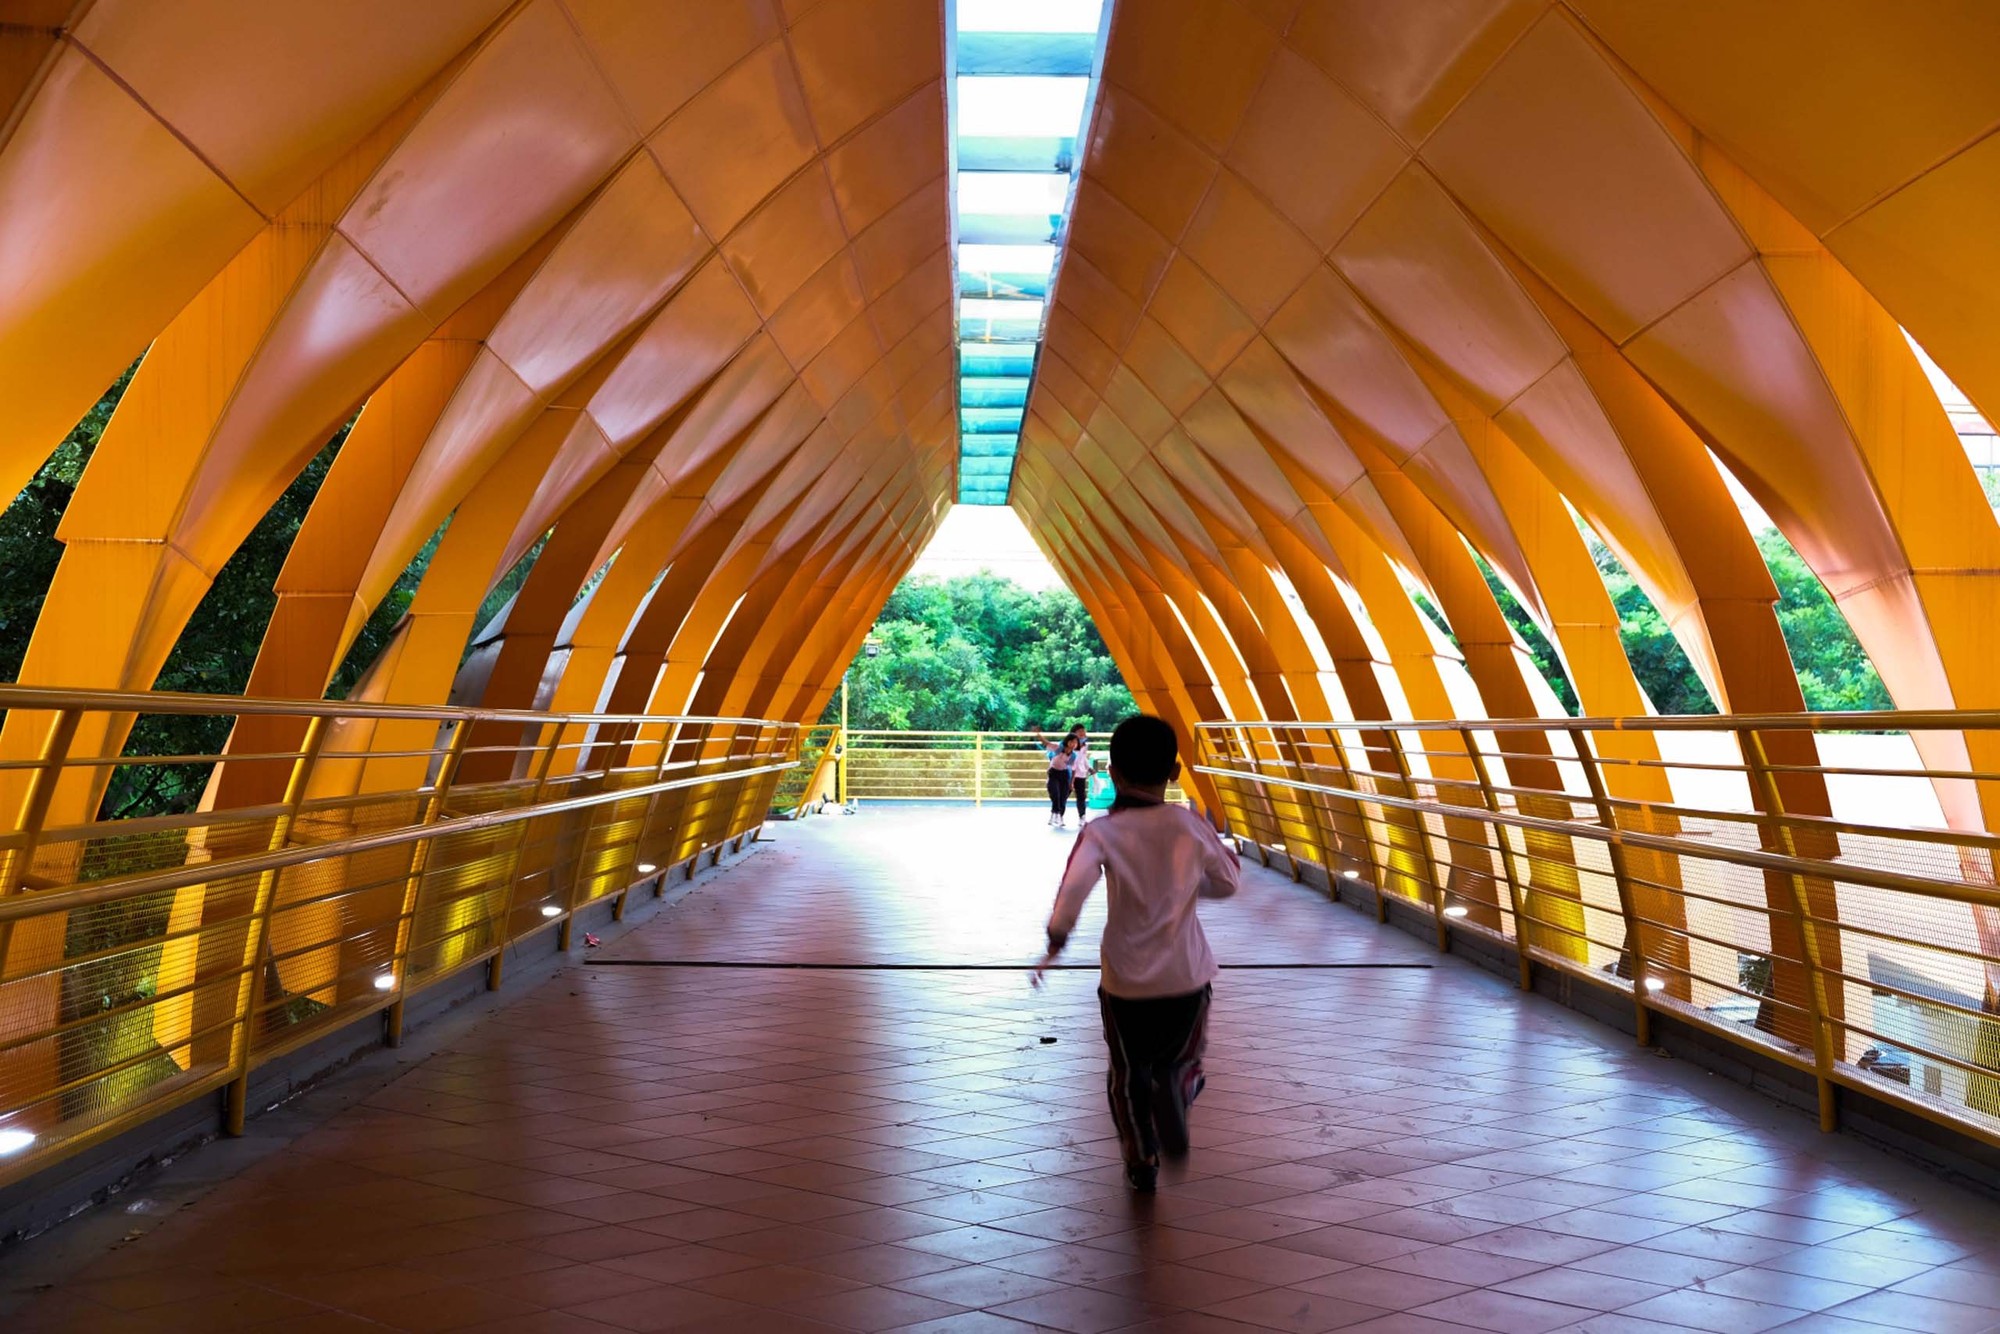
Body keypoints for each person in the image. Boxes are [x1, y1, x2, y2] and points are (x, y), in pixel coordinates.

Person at [1032, 715, 1240, 1192]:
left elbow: (1071, 895)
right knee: (1183, 1055)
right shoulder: (1190, 824)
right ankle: (1181, 1084)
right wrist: (1187, 885)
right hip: (1187, 976)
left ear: (1114, 772)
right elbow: (1228, 881)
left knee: (1127, 1072)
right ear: (1174, 773)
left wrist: (1055, 944)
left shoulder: (1102, 833)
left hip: (1124, 983)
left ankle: (1140, 1156)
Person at [1031, 728, 1079, 828]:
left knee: (1063, 797)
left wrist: (1072, 782)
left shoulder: (1073, 756)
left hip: (1064, 775)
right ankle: (1054, 814)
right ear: (1067, 741)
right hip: (1053, 773)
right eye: (1071, 741)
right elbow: (1046, 743)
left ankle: (1059, 817)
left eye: (1075, 742)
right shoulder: (1058, 748)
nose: (1073, 744)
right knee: (1055, 794)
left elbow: (1073, 769)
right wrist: (1038, 734)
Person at [1067, 725, 1092, 822]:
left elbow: (1083, 759)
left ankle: (1082, 816)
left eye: (1084, 731)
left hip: (1081, 773)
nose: (1083, 733)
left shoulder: (1085, 745)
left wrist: (1089, 768)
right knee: (1064, 795)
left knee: (1081, 796)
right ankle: (1058, 814)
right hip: (1069, 774)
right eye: (1080, 731)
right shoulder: (1069, 745)